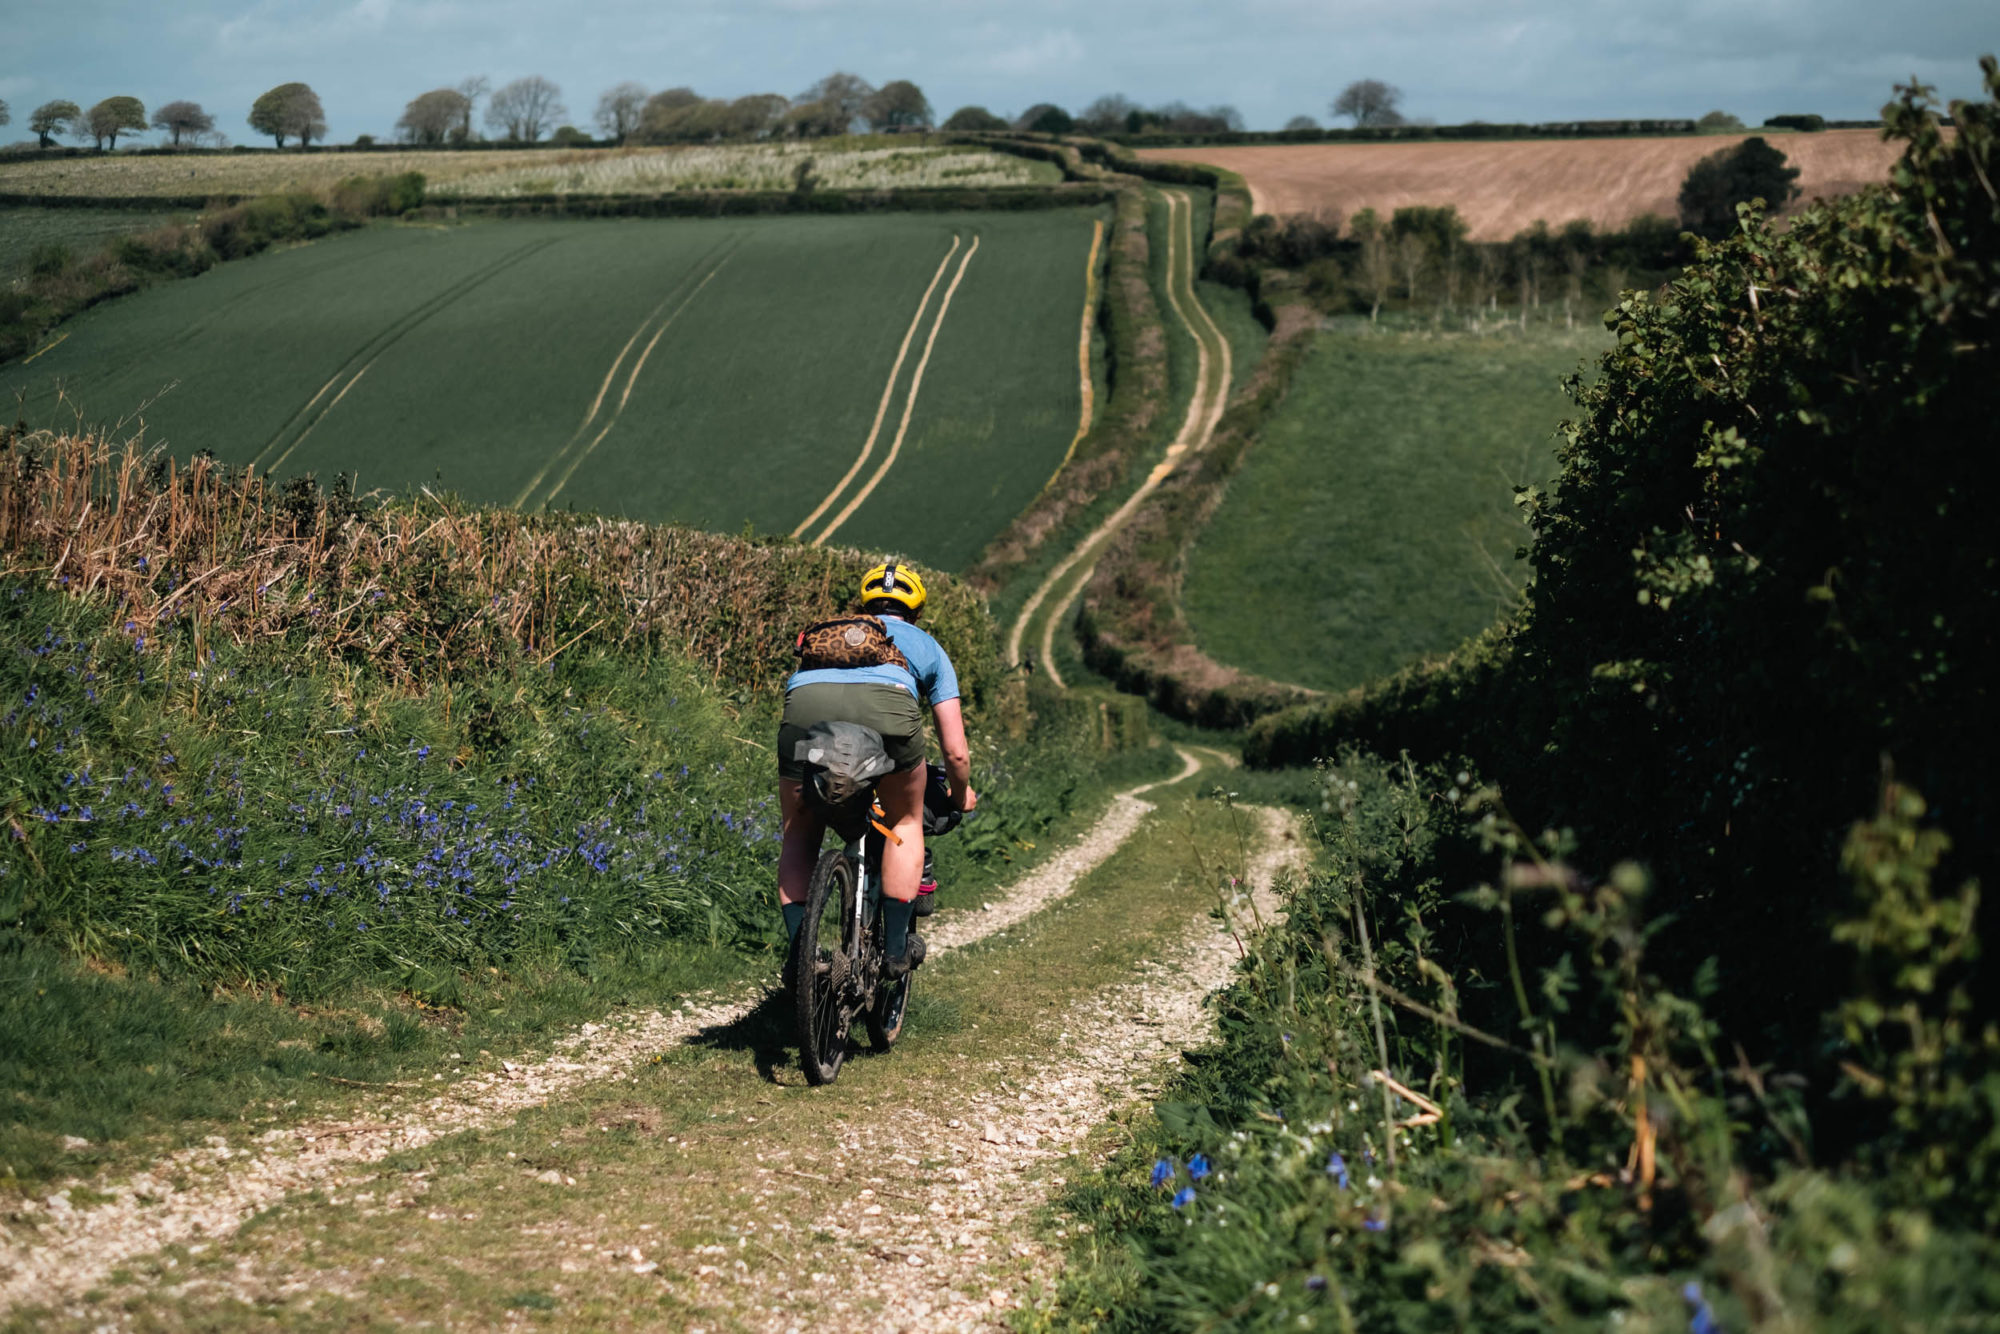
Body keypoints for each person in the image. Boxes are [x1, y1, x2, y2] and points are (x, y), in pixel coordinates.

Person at [776, 561, 976, 977]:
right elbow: (956, 753)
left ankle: (798, 959)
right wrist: (960, 797)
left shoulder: (833, 637)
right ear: (916, 612)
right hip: (888, 709)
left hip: (806, 705)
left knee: (800, 831)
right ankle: (896, 953)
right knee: (904, 821)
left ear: (864, 607)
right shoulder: (928, 647)